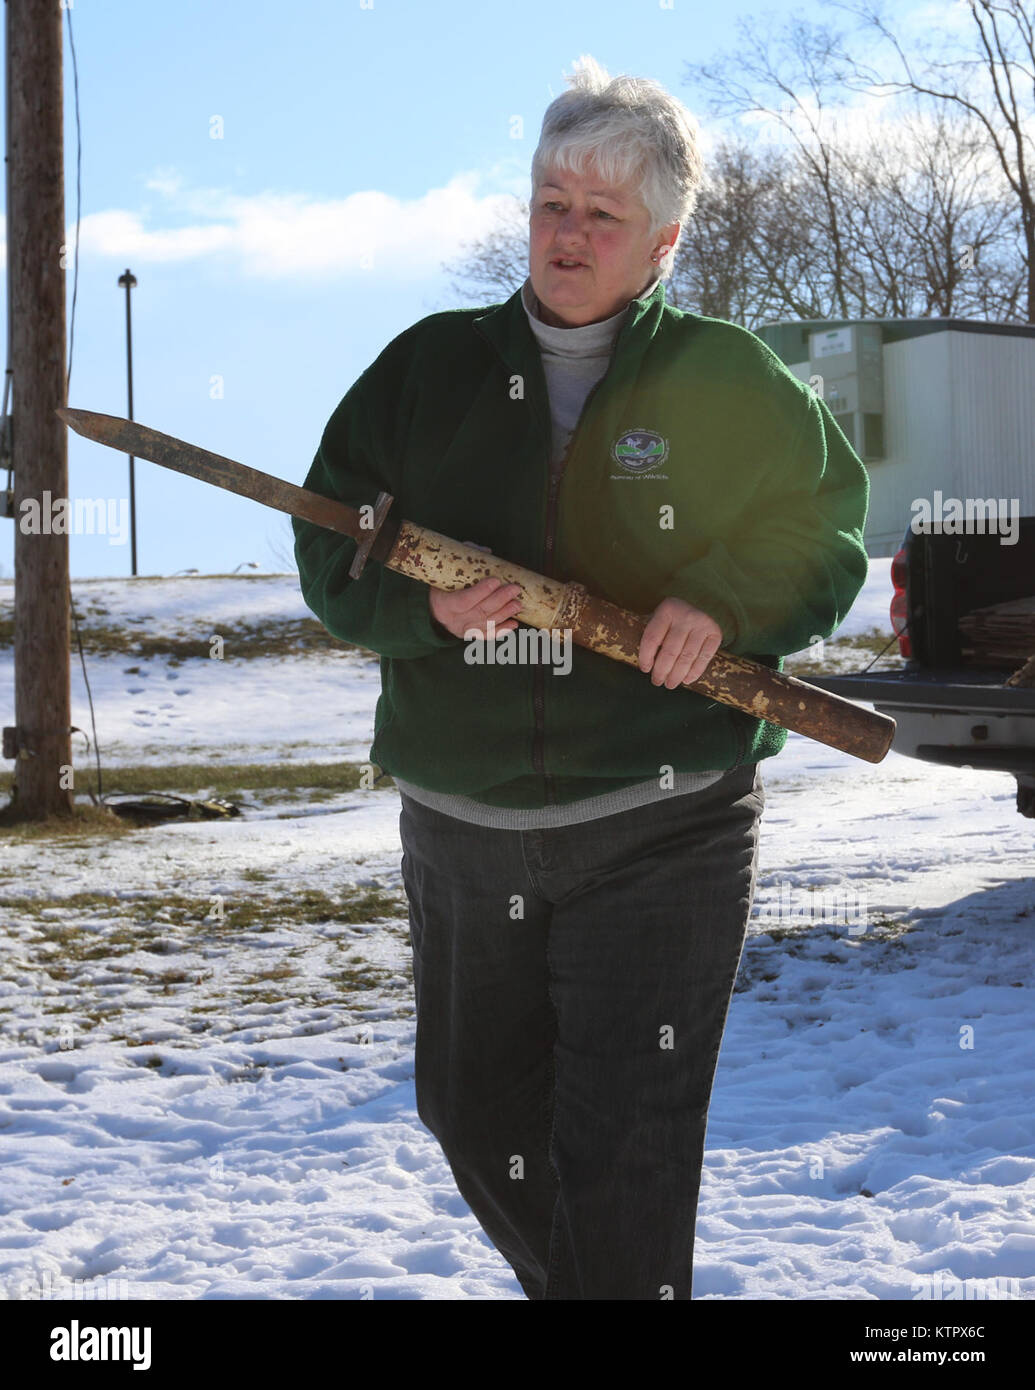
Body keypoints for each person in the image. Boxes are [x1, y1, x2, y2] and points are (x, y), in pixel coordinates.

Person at [292, 55, 869, 1300]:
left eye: (603, 215)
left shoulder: (726, 378)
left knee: (628, 1151)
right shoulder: (426, 371)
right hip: (465, 822)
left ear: (660, 244)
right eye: (554, 200)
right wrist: (423, 606)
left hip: (663, 820)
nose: (569, 232)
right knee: (469, 1112)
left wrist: (721, 604)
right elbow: (329, 546)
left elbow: (821, 536)